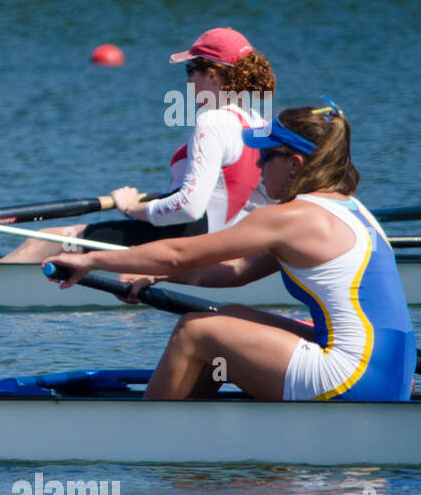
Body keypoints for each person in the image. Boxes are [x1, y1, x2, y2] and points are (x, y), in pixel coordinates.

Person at [49, 100, 415, 402]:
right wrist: (159, 275)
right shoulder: (352, 209)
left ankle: (152, 436)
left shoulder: (291, 217)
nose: (257, 165)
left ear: (295, 164)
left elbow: (179, 252)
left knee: (196, 332)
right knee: (231, 316)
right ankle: (196, 420)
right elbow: (239, 269)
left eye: (266, 156)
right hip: (392, 376)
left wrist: (89, 260)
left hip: (353, 378)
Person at [0, 27, 275, 263]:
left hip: (185, 241)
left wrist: (130, 208)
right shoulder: (258, 122)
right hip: (225, 243)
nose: (188, 81)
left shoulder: (212, 122)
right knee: (64, 239)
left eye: (191, 70)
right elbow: (260, 200)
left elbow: (189, 207)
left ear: (213, 76)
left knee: (44, 240)